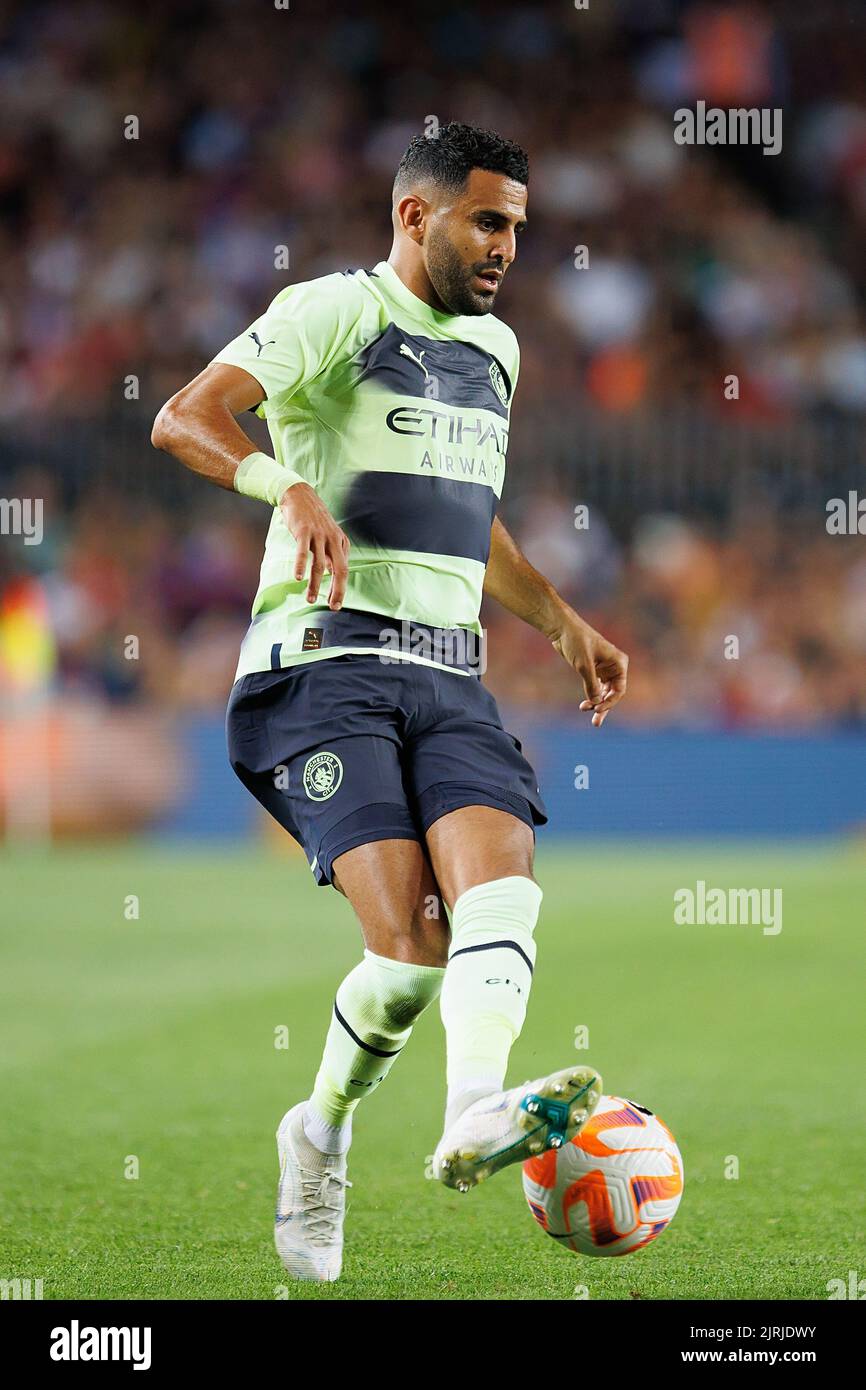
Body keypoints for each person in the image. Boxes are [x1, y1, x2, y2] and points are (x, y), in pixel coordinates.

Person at [152, 121, 628, 1282]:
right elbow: (184, 416)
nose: (507, 244)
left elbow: (468, 510)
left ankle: (473, 1107)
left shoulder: (498, 352)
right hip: (319, 669)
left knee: (502, 882)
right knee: (410, 955)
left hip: (449, 672)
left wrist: (556, 616)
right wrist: (287, 482)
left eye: (516, 224)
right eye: (486, 219)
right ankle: (317, 1130)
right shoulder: (334, 312)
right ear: (415, 216)